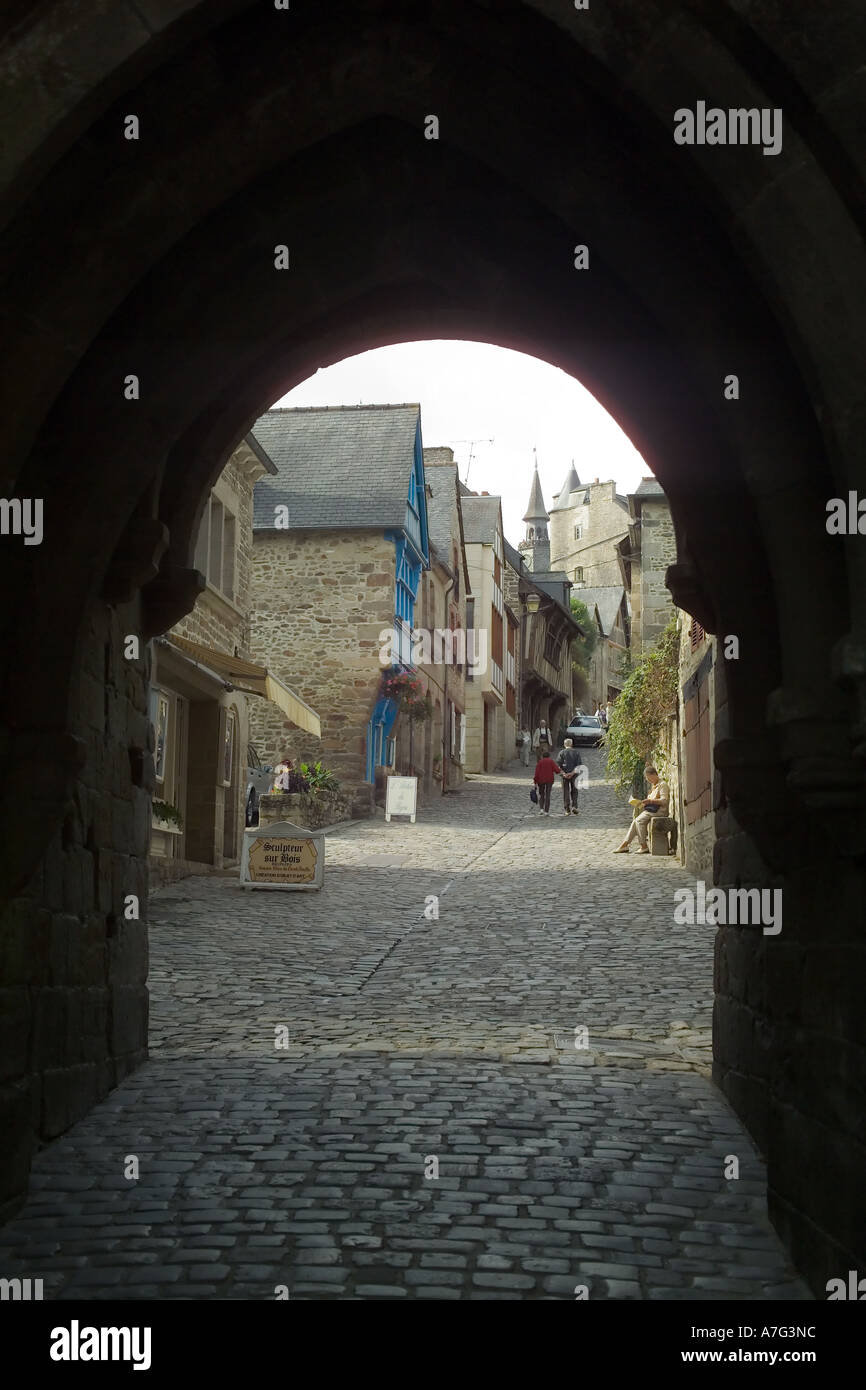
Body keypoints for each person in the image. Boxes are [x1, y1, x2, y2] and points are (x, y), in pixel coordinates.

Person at [614, 766, 669, 854]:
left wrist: (650, 801)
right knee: (635, 821)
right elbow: (651, 801)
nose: (648, 780)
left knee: (638, 821)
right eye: (647, 778)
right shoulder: (654, 786)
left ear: (654, 774)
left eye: (649, 778)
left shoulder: (662, 785)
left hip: (659, 812)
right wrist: (641, 803)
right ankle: (625, 844)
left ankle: (642, 846)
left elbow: (664, 801)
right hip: (651, 811)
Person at [557, 738, 584, 816]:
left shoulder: (561, 753)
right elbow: (579, 765)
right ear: (571, 744)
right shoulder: (576, 753)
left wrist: (564, 773)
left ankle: (567, 809)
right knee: (574, 791)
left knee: (565, 792)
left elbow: (558, 765)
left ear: (564, 744)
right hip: (574, 775)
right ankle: (574, 806)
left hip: (564, 776)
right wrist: (572, 773)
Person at [533, 749, 559, 815]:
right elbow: (557, 770)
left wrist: (535, 781)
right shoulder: (551, 761)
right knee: (548, 795)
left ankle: (541, 809)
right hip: (549, 780)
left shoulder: (540, 762)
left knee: (541, 794)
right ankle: (546, 811)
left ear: (542, 756)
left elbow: (537, 773)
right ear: (549, 756)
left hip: (541, 780)